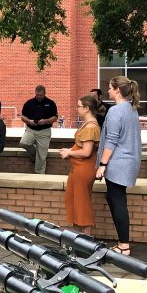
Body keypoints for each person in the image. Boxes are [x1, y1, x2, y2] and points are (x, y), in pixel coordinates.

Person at [95, 76, 142, 256]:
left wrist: (102, 164)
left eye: (109, 87)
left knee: (118, 201)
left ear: (117, 90)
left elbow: (111, 140)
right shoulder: (131, 109)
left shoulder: (116, 111)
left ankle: (124, 245)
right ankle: (123, 243)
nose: (107, 90)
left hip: (117, 163)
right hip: (128, 161)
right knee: (114, 198)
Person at [60, 95, 103, 235]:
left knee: (82, 203)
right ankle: (78, 238)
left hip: (84, 169)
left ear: (86, 108)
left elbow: (86, 152)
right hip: (77, 169)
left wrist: (69, 153)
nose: (76, 109)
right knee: (74, 202)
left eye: (78, 106)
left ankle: (86, 240)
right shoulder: (87, 124)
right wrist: (69, 151)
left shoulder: (91, 127)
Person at [19, 85, 58, 174]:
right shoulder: (29, 103)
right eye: (37, 95)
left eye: (40, 95)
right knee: (23, 143)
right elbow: (22, 116)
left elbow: (55, 118)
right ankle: (35, 153)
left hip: (45, 131)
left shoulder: (50, 103)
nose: (39, 97)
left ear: (44, 93)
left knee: (42, 156)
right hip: (31, 129)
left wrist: (45, 121)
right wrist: (29, 121)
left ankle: (39, 175)